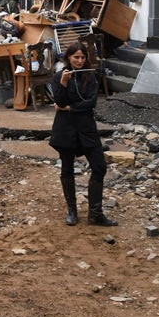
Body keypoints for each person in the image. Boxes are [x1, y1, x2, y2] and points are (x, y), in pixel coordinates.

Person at [49, 42, 117, 227]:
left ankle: (95, 214)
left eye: (82, 57)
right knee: (67, 168)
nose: (79, 61)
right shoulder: (59, 77)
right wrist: (63, 84)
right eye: (75, 57)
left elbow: (91, 102)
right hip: (66, 129)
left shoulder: (90, 77)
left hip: (86, 127)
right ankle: (72, 211)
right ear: (68, 58)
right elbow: (59, 101)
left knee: (99, 166)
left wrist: (70, 107)